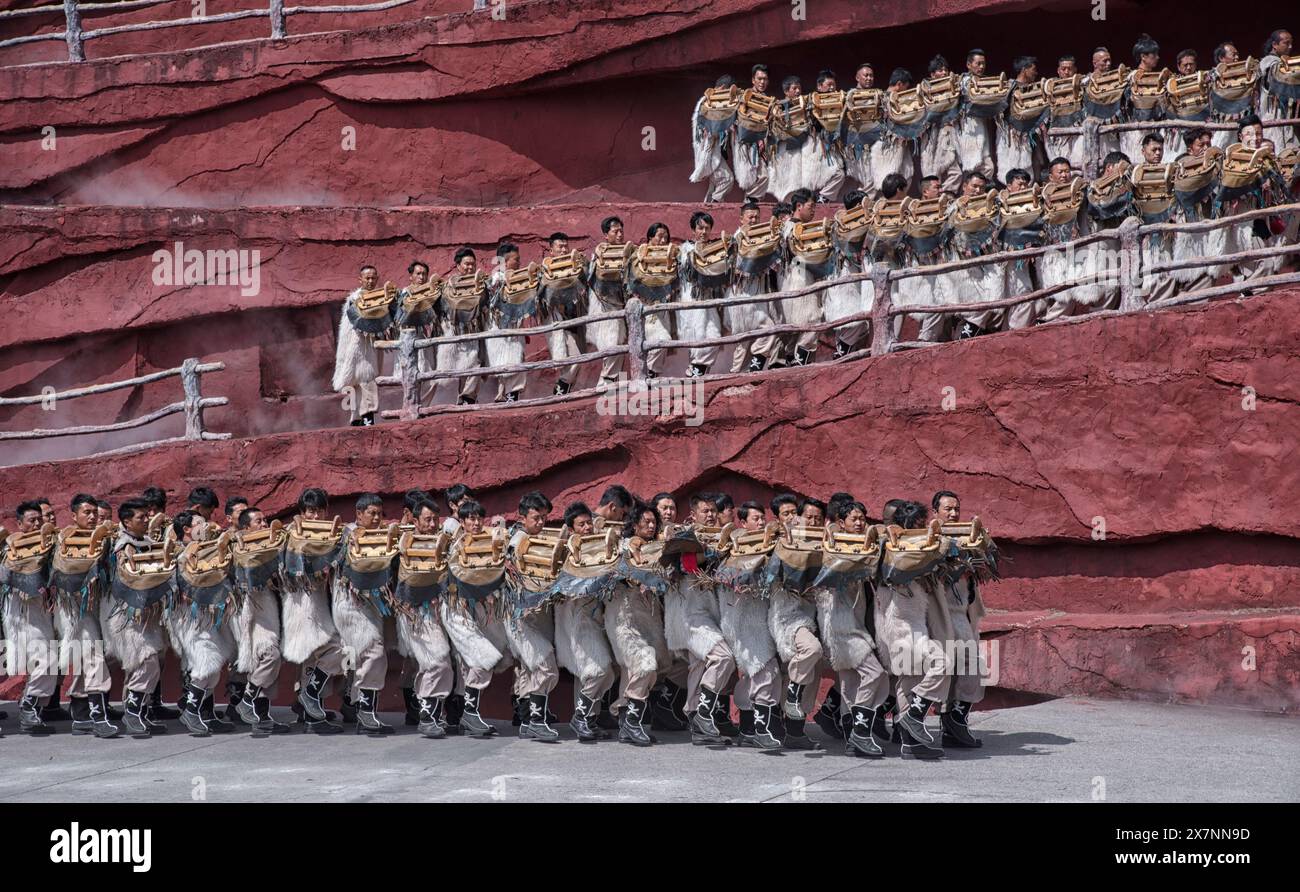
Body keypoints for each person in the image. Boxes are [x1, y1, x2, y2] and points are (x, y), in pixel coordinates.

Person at [280, 487, 347, 735]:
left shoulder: (331, 533)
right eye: (310, 511)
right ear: (302, 512)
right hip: (300, 605)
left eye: (319, 511)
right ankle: (310, 696)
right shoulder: (292, 533)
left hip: (318, 604)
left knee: (312, 658)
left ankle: (309, 711)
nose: (315, 516)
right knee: (339, 649)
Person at [102, 498, 170, 738]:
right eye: (140, 517)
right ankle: (132, 713)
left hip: (147, 614)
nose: (145, 521)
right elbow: (131, 577)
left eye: (146, 516)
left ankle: (138, 714)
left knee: (148, 664)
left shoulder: (146, 542)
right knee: (146, 661)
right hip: (126, 615)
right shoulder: (124, 546)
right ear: (127, 522)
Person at [52, 493, 118, 738]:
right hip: (73, 609)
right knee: (93, 657)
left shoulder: (107, 539)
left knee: (86, 659)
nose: (91, 517)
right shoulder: (63, 539)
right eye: (86, 513)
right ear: (74, 515)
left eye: (94, 513)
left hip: (98, 608)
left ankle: (80, 716)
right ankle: (99, 717)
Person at [331, 493, 395, 736]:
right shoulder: (347, 534)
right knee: (374, 652)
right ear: (359, 514)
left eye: (380, 514)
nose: (377, 519)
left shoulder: (383, 534)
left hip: (371, 607)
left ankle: (354, 707)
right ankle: (366, 714)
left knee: (358, 658)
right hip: (349, 604)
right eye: (372, 514)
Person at [504, 491, 562, 742]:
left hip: (534, 617)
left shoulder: (532, 539)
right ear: (522, 517)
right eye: (536, 518)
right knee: (545, 667)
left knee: (529, 670)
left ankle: (528, 721)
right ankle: (537, 720)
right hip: (521, 617)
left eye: (544, 518)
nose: (541, 523)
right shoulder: (517, 542)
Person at [229, 506, 291, 735]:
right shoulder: (236, 547)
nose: (265, 525)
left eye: (265, 520)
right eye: (259, 522)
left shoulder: (271, 543)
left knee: (268, 661)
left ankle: (262, 719)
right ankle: (248, 698)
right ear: (246, 528)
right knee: (268, 655)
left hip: (271, 608)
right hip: (250, 611)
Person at [2, 499, 59, 734]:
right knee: (46, 659)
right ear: (19, 523)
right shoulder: (10, 548)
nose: (37, 523)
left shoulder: (51, 543)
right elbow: (5, 577)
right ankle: (29, 706)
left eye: (39, 519)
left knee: (47, 659)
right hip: (20, 610)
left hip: (43, 610)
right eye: (31, 520)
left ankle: (31, 706)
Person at [727, 201, 783, 373]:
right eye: (750, 217)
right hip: (741, 294)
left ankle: (748, 371)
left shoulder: (763, 238)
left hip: (757, 292)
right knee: (747, 339)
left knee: (760, 333)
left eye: (757, 217)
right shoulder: (735, 240)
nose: (754, 220)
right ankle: (741, 373)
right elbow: (731, 267)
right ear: (741, 219)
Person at [778, 188, 832, 366]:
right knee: (811, 319)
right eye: (811, 205)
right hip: (799, 278)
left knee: (794, 327)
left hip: (787, 280)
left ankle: (792, 362)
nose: (813, 209)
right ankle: (802, 364)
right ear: (799, 206)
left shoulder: (785, 227)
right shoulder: (796, 228)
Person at [332, 264, 388, 426]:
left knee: (364, 379)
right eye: (367, 278)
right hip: (358, 345)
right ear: (360, 279)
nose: (370, 281)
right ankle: (365, 417)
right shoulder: (355, 299)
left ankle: (359, 417)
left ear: (377, 279)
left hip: (371, 345)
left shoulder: (380, 297)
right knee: (364, 378)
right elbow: (358, 321)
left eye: (373, 278)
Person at [538, 232, 589, 395]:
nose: (564, 249)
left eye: (566, 246)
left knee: (578, 358)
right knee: (574, 358)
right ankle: (560, 390)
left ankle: (563, 392)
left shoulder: (578, 263)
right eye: (560, 246)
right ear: (551, 250)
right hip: (558, 320)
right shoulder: (544, 270)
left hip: (577, 318)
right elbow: (542, 295)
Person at [677, 211, 727, 377]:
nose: (704, 232)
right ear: (693, 230)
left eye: (707, 228)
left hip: (708, 300)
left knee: (714, 337)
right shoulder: (685, 250)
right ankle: (695, 375)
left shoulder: (715, 248)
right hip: (691, 299)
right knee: (696, 338)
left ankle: (694, 372)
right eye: (700, 228)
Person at [438, 248, 488, 405]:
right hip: (456, 331)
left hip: (476, 329)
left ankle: (468, 397)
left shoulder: (481, 284)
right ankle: (463, 398)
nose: (470, 267)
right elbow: (444, 307)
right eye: (466, 264)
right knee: (461, 364)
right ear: (458, 265)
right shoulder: (449, 286)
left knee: (475, 361)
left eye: (473, 264)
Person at [587, 216, 633, 387]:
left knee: (621, 342)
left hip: (622, 305)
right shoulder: (600, 253)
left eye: (622, 231)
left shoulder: (629, 250)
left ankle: (616, 384)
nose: (620, 234)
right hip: (605, 306)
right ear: (606, 235)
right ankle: (606, 383)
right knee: (611, 342)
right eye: (616, 231)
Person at [485, 243, 531, 403]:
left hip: (514, 326)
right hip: (498, 326)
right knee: (503, 358)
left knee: (516, 357)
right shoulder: (495, 279)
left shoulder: (521, 277)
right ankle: (504, 393)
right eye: (515, 260)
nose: (519, 262)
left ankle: (512, 394)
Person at [690, 75, 738, 203]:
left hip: (713, 149)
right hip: (708, 150)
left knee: (714, 184)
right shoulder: (708, 102)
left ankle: (708, 209)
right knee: (726, 179)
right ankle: (714, 204)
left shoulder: (710, 102)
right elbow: (710, 129)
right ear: (722, 88)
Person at [732, 64, 772, 200]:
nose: (762, 82)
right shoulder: (745, 96)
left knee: (764, 176)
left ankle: (750, 201)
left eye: (765, 79)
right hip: (745, 143)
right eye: (759, 79)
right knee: (749, 176)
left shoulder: (768, 100)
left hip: (761, 144)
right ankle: (750, 203)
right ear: (753, 80)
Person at [957, 49, 997, 178]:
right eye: (978, 63)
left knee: (988, 166)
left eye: (983, 64)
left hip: (981, 125)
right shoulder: (963, 81)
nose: (981, 67)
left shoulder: (985, 81)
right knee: (972, 165)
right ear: (969, 65)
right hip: (969, 125)